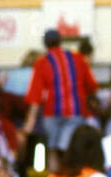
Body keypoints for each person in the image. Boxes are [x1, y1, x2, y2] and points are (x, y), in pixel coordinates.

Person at [21, 29, 99, 164]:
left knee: (52, 149)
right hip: (76, 111)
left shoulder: (42, 62)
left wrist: (29, 124)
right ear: (60, 41)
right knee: (71, 147)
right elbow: (91, 86)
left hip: (51, 113)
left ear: (45, 44)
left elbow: (35, 95)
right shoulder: (77, 58)